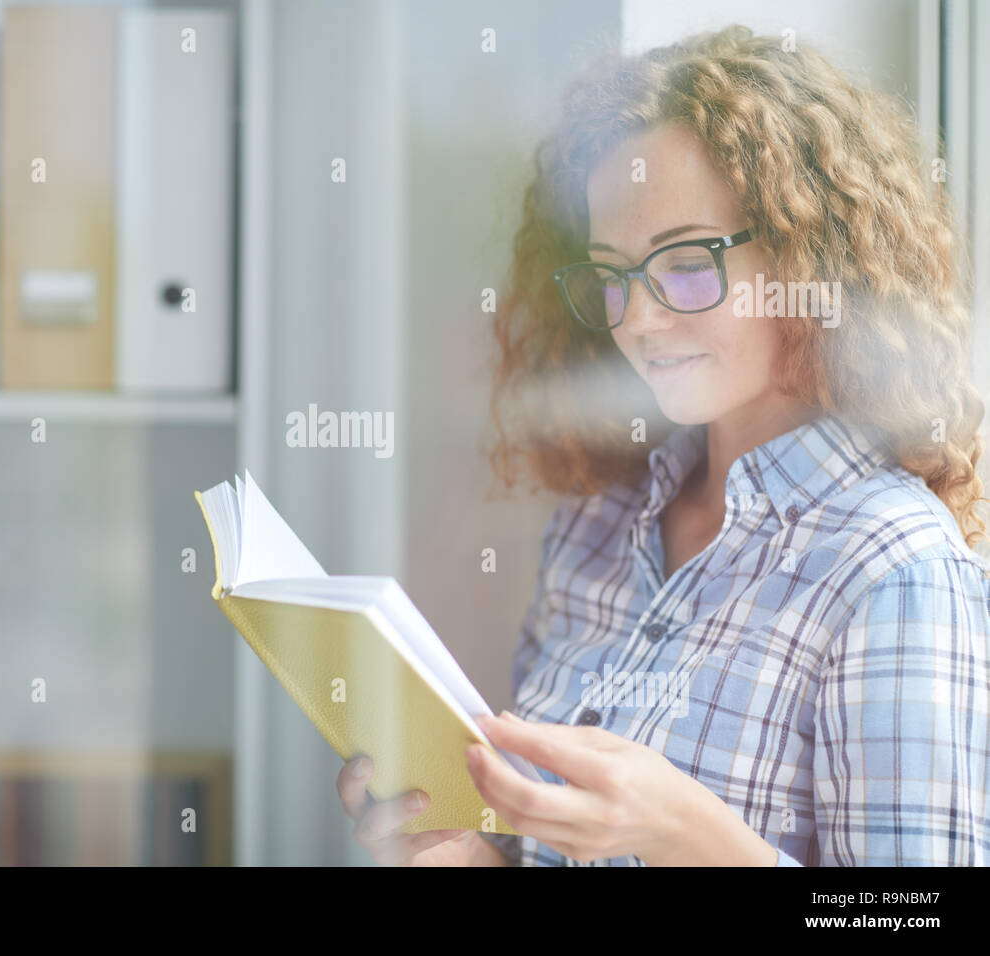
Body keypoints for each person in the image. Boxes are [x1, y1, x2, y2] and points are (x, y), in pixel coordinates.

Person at [335, 24, 990, 866]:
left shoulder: (893, 573)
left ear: (808, 263)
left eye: (684, 261)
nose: (639, 319)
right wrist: (453, 846)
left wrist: (688, 836)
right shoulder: (594, 530)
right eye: (612, 274)